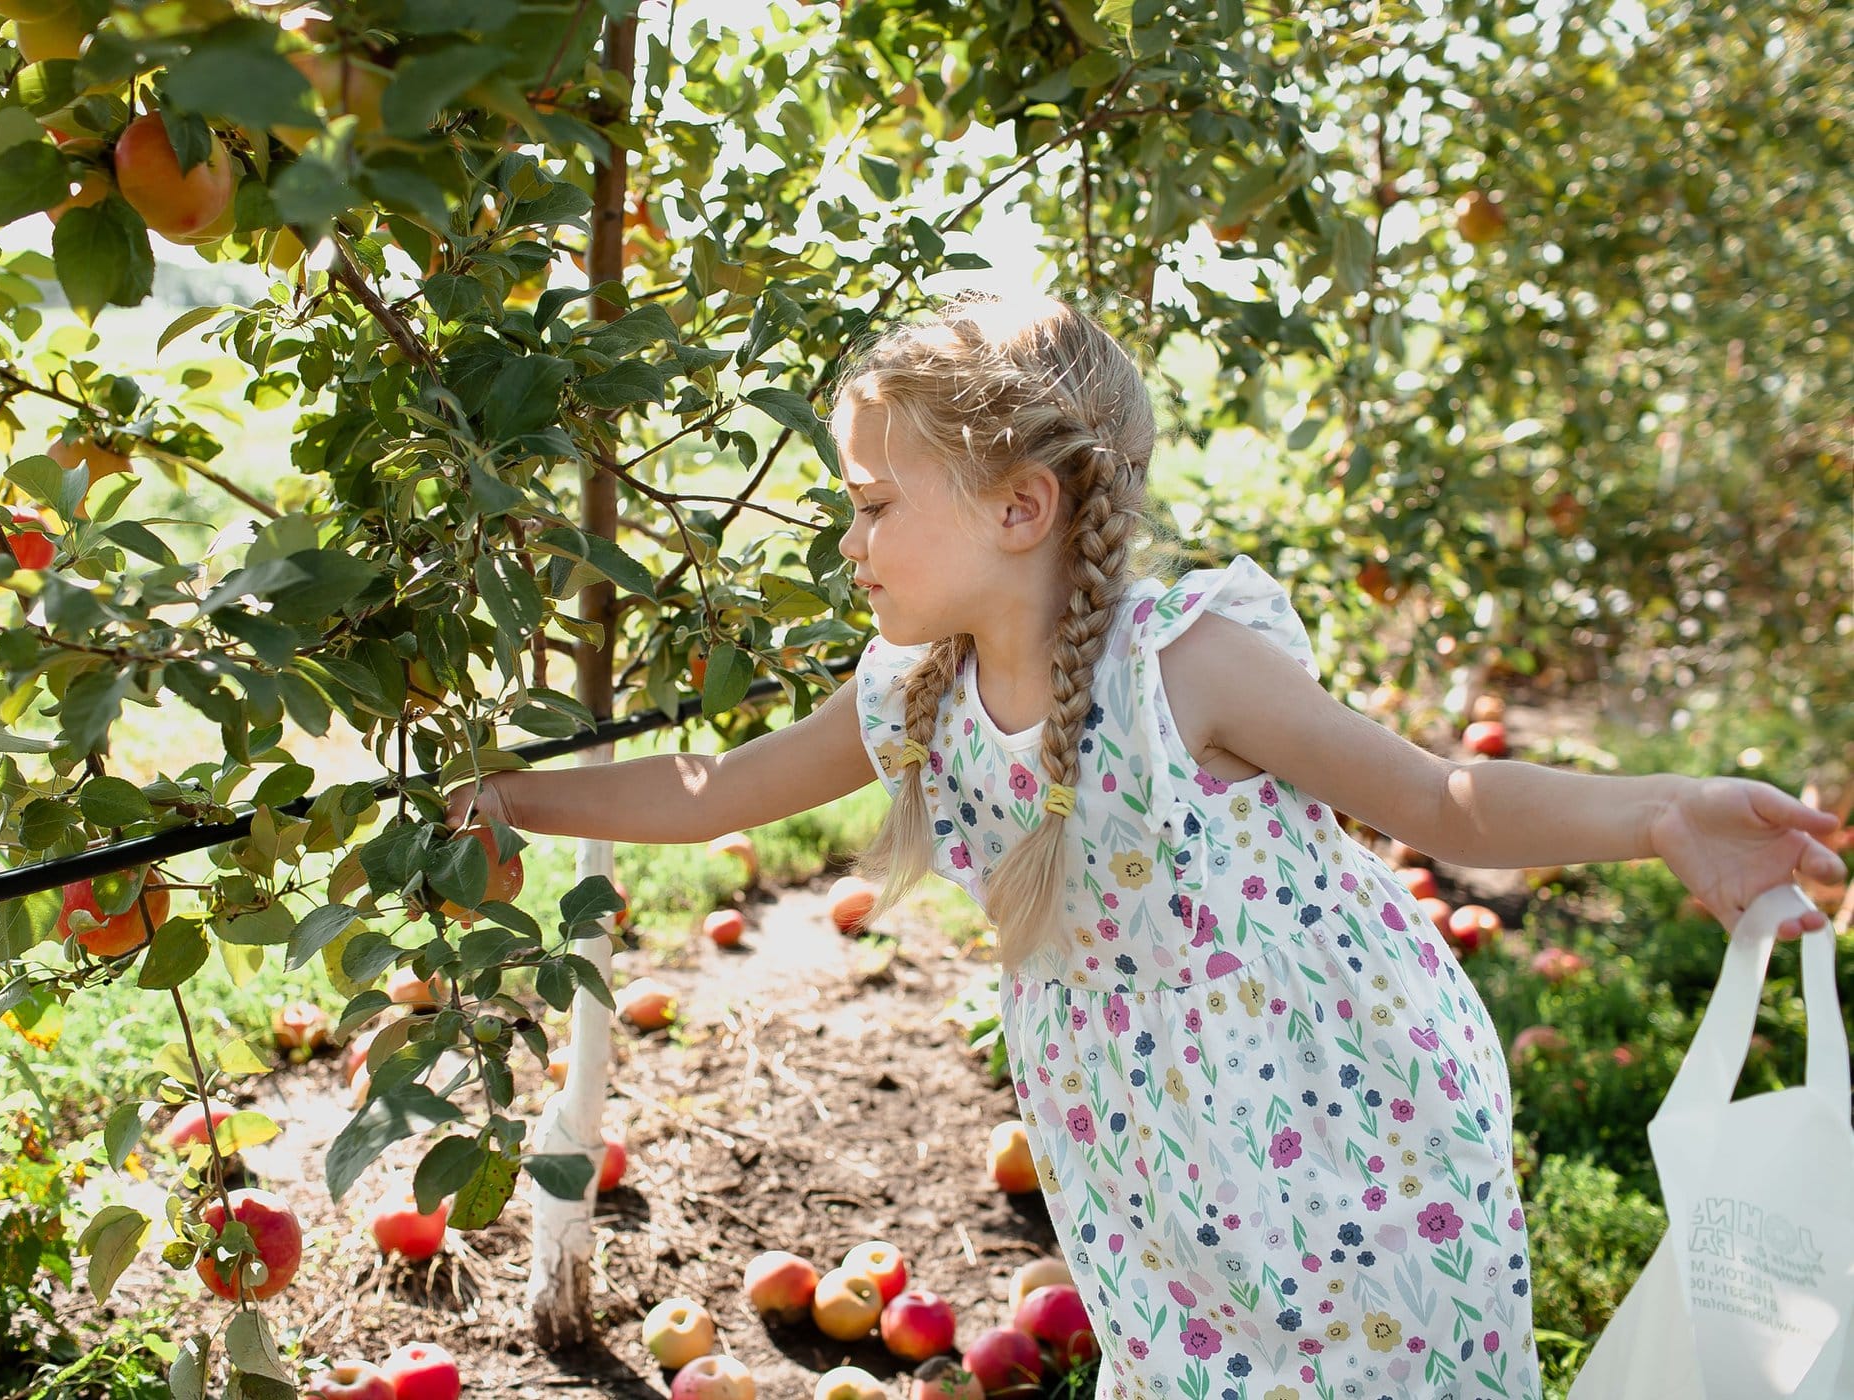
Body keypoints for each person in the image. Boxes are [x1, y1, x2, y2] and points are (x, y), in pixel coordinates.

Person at [447, 291, 1842, 1397]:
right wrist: (515, 797)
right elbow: (708, 791)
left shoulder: (1190, 665)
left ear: (1019, 507)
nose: (847, 538)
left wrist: (1659, 810)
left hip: (1338, 1123)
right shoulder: (911, 694)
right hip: (1139, 1153)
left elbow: (1439, 803)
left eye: (873, 505)